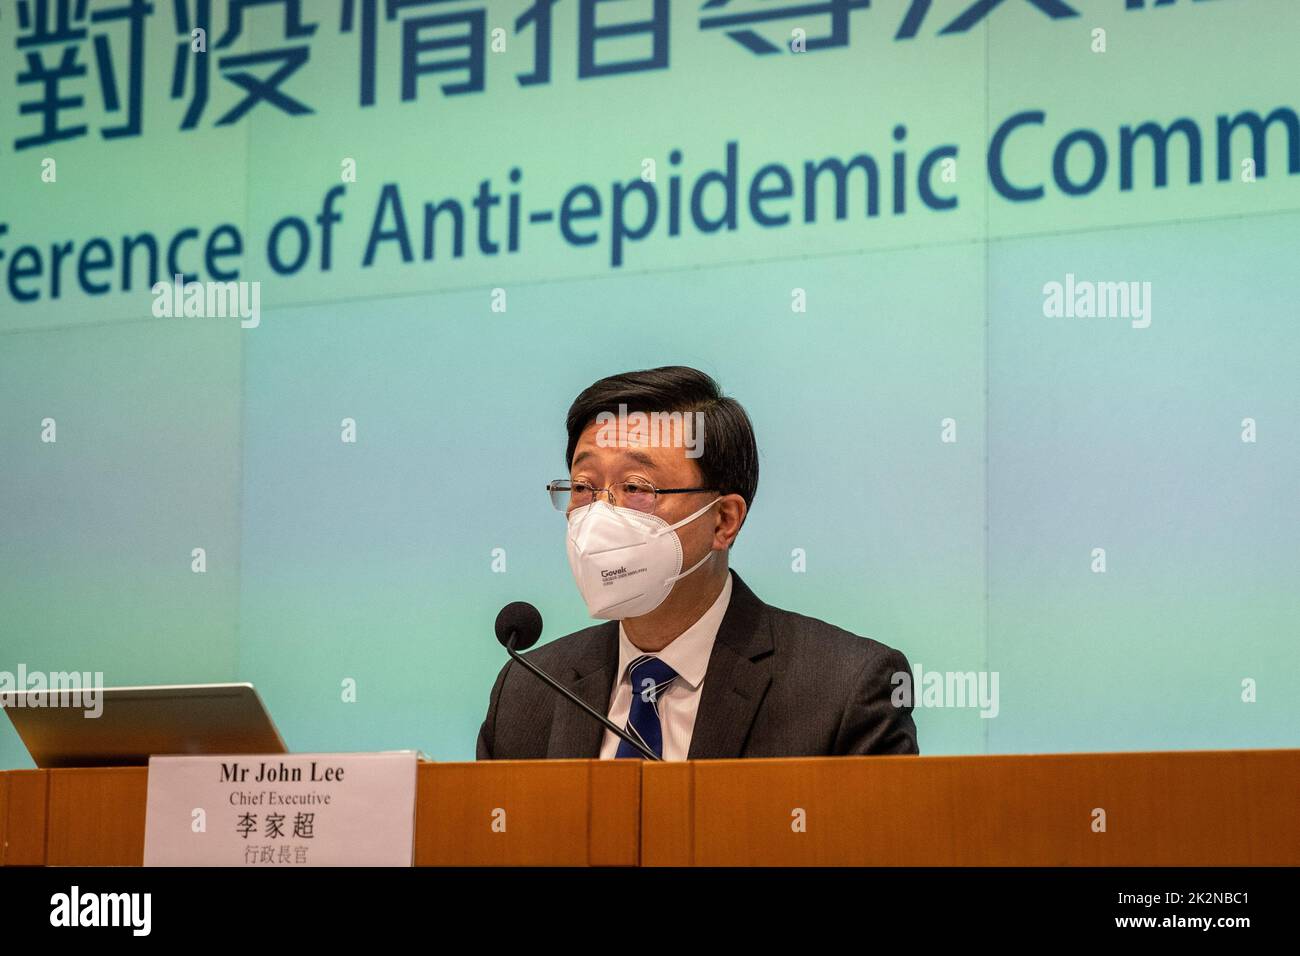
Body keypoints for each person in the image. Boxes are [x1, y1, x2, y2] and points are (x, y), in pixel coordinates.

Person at [476, 366, 919, 760]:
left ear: (723, 521)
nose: (599, 515)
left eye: (635, 486)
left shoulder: (845, 689)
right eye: (583, 487)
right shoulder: (527, 692)